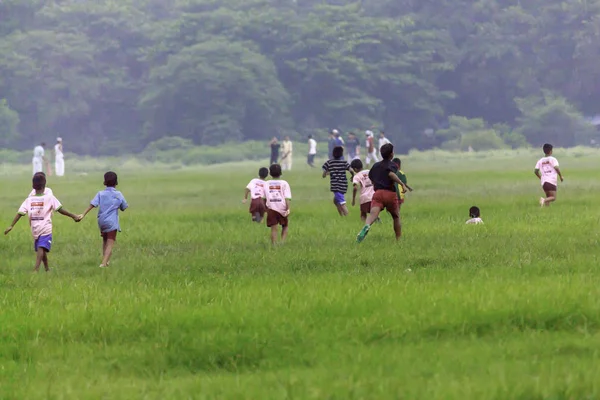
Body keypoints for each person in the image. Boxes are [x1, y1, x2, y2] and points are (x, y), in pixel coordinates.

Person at [4, 173, 80, 272]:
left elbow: (20, 213)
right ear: (45, 186)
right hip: (45, 227)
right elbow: (60, 210)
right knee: (41, 248)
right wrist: (73, 216)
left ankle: (42, 269)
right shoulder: (50, 197)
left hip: (36, 228)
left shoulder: (29, 199)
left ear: (32, 186)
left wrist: (11, 225)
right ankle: (40, 270)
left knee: (41, 247)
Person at [356, 143, 409, 243]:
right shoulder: (392, 165)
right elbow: (391, 174)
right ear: (391, 155)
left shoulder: (375, 166)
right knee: (396, 216)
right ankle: (398, 240)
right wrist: (402, 184)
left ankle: (366, 226)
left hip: (378, 194)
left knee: (372, 215)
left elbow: (371, 178)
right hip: (390, 194)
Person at [79, 171, 129, 268]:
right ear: (116, 182)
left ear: (104, 182)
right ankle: (103, 263)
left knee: (105, 240)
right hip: (112, 222)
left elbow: (92, 204)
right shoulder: (118, 194)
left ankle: (106, 261)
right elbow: (124, 207)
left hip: (101, 221)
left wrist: (83, 214)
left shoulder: (100, 193)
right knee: (110, 242)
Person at [263, 164, 292, 245]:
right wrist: (288, 208)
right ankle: (282, 242)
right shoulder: (284, 183)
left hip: (271, 207)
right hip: (282, 207)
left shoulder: (266, 183)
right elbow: (287, 198)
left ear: (270, 173)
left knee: (273, 228)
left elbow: (263, 197)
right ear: (281, 173)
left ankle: (274, 244)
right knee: (285, 225)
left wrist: (264, 208)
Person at [322, 146, 353, 216]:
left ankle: (347, 216)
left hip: (336, 186)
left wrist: (325, 174)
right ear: (341, 154)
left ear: (333, 153)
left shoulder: (329, 162)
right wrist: (353, 176)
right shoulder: (344, 162)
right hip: (344, 185)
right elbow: (351, 170)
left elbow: (324, 170)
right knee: (336, 201)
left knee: (342, 203)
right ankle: (342, 216)